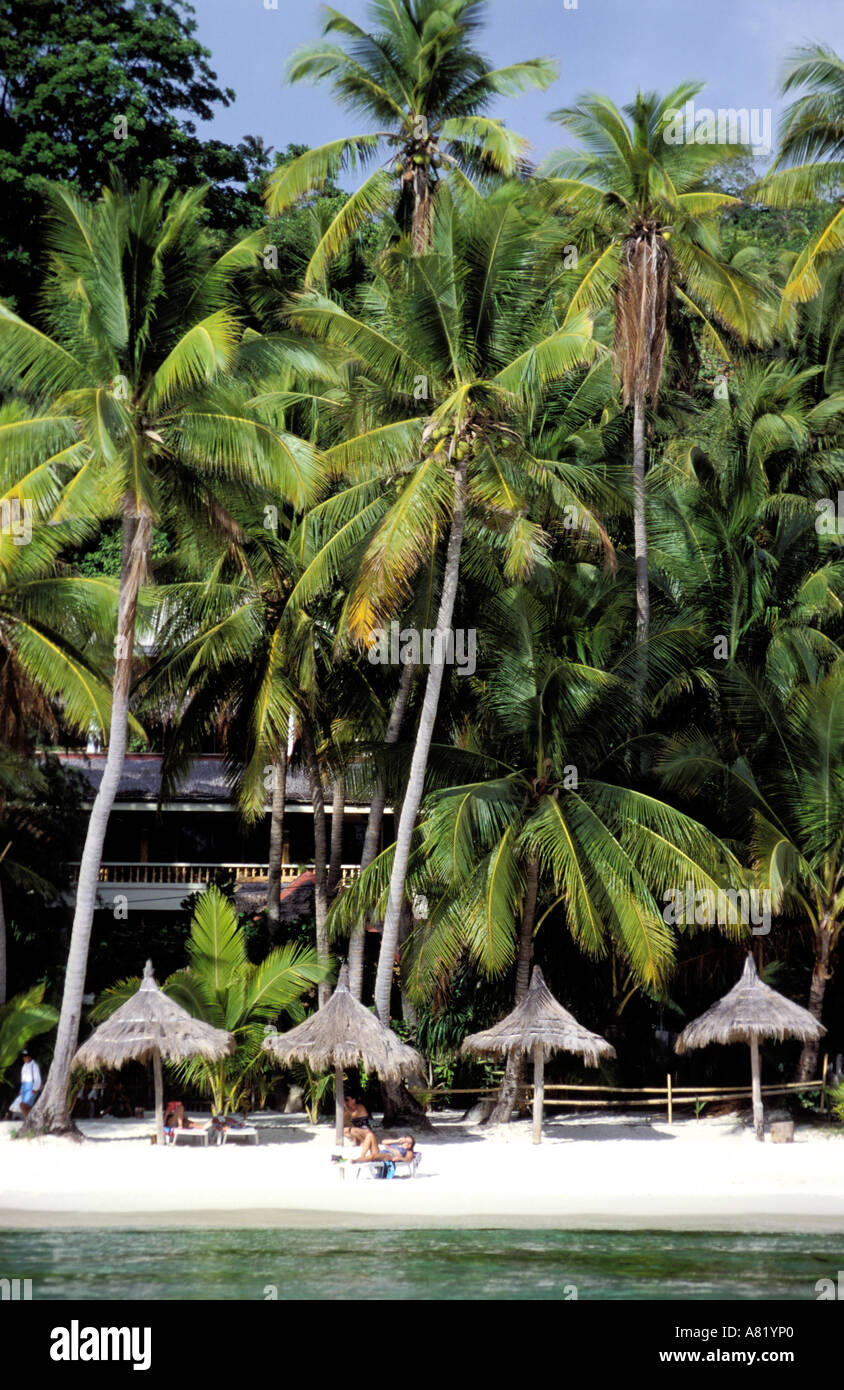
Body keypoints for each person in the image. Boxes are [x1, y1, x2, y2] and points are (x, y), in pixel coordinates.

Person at [13, 1050, 42, 1117]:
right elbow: (23, 1079)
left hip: (31, 1087)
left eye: (26, 1057)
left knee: (22, 1105)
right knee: (27, 1106)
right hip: (24, 1087)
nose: (24, 1058)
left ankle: (28, 1119)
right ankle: (30, 1118)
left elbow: (37, 1078)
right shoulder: (24, 1066)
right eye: (24, 1057)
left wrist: (35, 1088)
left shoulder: (34, 1066)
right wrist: (21, 1090)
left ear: (30, 1057)